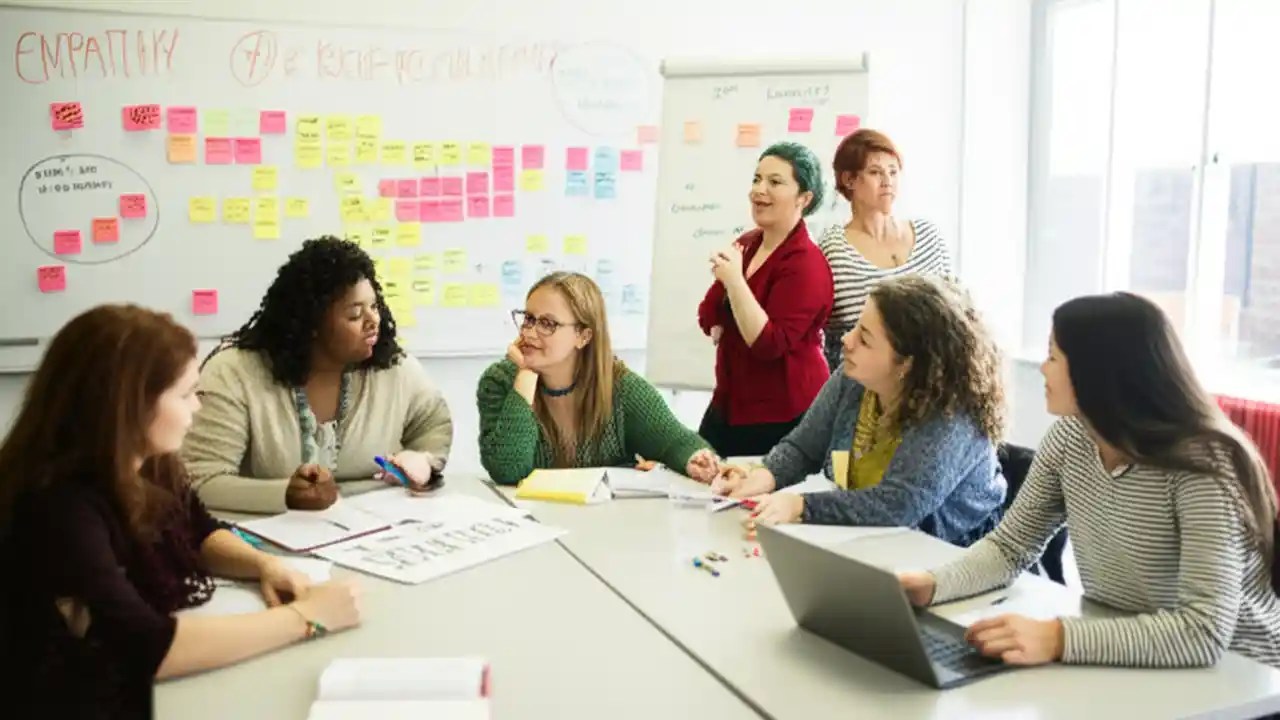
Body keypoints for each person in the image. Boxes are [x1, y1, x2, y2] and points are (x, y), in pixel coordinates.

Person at [0, 305, 361, 718]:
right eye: (186, 394)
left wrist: (263, 565)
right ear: (130, 404)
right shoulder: (57, 506)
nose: (198, 408)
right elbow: (143, 645)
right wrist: (308, 617)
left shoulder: (146, 461)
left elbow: (200, 530)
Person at [900, 293, 1280, 669]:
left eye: (1053, 357)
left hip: (1242, 677)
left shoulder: (1203, 466)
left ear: (1097, 372)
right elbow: (1009, 548)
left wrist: (1058, 638)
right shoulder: (1070, 438)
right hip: (1141, 657)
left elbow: (1204, 630)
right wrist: (932, 584)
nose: (1043, 370)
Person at [712, 275, 1006, 547]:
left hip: (952, 553)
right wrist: (764, 476)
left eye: (864, 339)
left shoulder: (951, 414)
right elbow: (804, 448)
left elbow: (898, 506)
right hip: (875, 543)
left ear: (907, 364)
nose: (846, 340)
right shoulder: (854, 377)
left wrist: (801, 506)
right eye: (856, 328)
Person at [183, 237, 453, 513]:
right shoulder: (234, 373)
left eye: (375, 307)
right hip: (264, 538)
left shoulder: (394, 369)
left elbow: (433, 424)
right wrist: (283, 495)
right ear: (311, 323)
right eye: (355, 314)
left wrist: (422, 459)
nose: (374, 322)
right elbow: (200, 479)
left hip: (374, 533)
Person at [478, 272, 719, 485]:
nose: (529, 332)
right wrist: (526, 376)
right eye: (529, 319)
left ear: (583, 336)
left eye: (547, 324)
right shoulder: (500, 381)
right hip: (532, 521)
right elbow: (507, 470)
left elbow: (673, 440)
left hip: (603, 522)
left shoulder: (620, 385)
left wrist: (696, 459)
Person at [696, 141, 834, 458]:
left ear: (804, 198)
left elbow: (768, 344)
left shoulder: (807, 264)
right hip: (729, 403)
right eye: (757, 179)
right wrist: (724, 313)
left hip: (783, 414)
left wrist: (734, 283)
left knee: (753, 501)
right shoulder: (747, 243)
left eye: (775, 182)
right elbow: (707, 313)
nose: (759, 190)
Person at [818, 128, 953, 371]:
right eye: (875, 172)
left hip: (932, 377)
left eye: (893, 171)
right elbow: (826, 336)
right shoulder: (833, 249)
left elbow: (956, 309)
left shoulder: (928, 235)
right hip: (862, 387)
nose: (887, 181)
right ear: (849, 180)